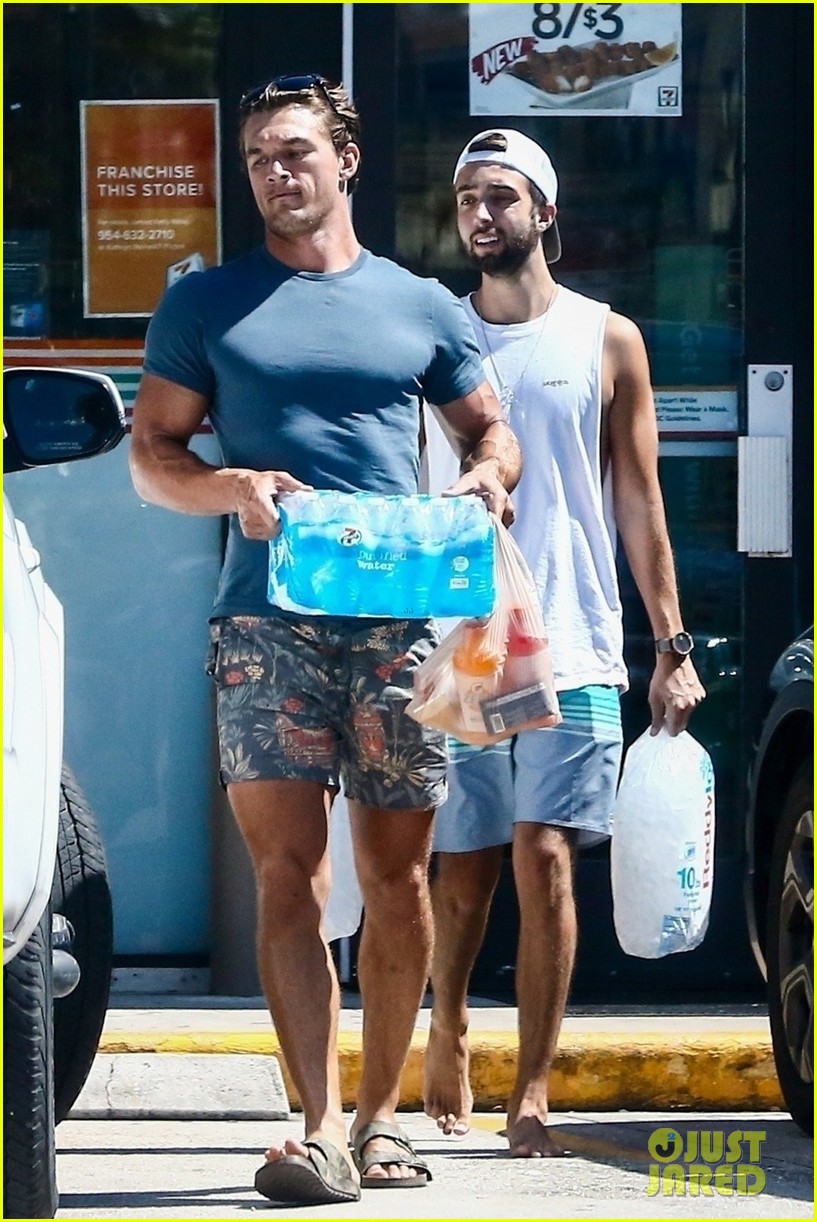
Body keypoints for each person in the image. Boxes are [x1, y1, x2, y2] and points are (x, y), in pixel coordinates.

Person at [129, 80, 521, 1206]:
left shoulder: (419, 305)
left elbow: (488, 427)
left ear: (345, 161)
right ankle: (314, 1128)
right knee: (285, 876)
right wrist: (233, 484)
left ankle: (380, 1116)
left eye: (294, 152)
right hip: (263, 623)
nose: (274, 174)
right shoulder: (207, 303)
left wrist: (488, 477)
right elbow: (155, 454)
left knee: (398, 880)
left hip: (401, 624)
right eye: (257, 158)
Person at [422, 129, 706, 1157]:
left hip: (577, 638)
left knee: (544, 858)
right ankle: (446, 1019)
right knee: (460, 869)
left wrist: (670, 645)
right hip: (462, 640)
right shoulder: (432, 335)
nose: (479, 213)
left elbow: (638, 499)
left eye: (500, 196)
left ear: (545, 213)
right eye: (466, 197)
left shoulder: (607, 338)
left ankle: (532, 1088)